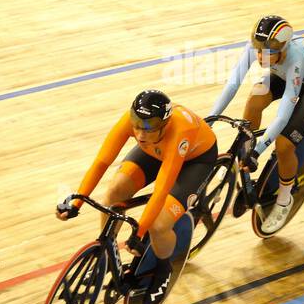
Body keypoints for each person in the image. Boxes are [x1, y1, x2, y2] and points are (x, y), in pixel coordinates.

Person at [58, 90, 216, 292]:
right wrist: (76, 203)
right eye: (137, 125)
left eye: (148, 128)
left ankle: (163, 270)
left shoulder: (179, 131)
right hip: (155, 150)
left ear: (164, 125)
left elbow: (161, 189)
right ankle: (107, 254)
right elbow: (101, 162)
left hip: (195, 161)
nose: (140, 134)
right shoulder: (137, 124)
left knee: (158, 225)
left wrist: (139, 233)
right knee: (114, 193)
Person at [209, 15, 304, 229]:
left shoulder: (295, 60)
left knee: (284, 145)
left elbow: (283, 116)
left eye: (267, 53)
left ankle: (285, 199)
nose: (260, 56)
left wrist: (258, 150)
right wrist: (210, 119)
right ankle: (244, 157)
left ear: (283, 49)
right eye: (258, 50)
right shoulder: (258, 46)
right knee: (253, 102)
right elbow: (232, 84)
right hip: (282, 76)